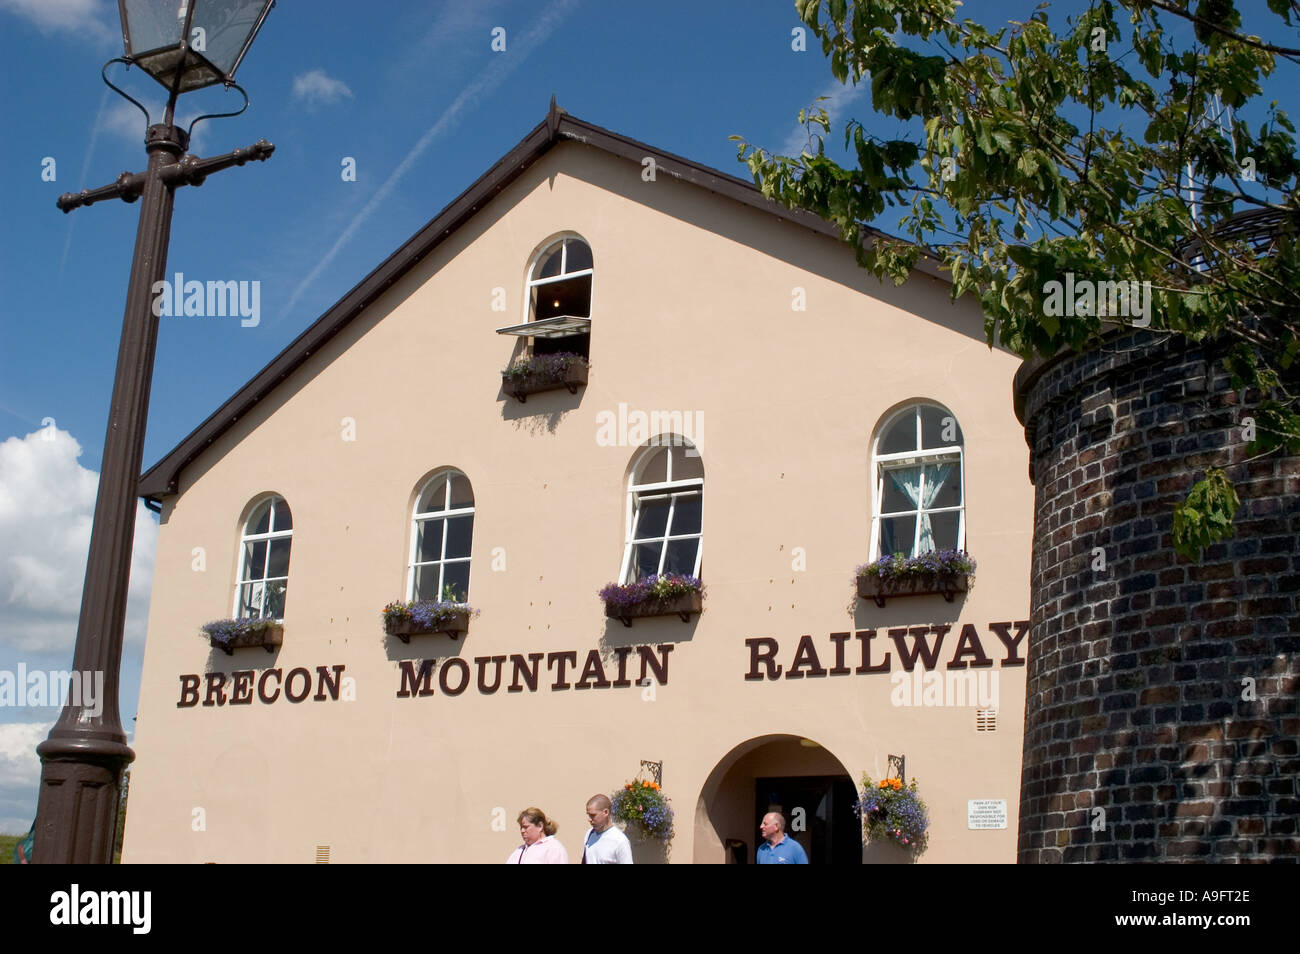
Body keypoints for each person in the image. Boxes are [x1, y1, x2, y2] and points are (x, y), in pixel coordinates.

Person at [580, 794, 633, 864]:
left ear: (606, 812)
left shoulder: (620, 841)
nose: (589, 819)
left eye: (593, 815)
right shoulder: (589, 834)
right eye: (588, 815)